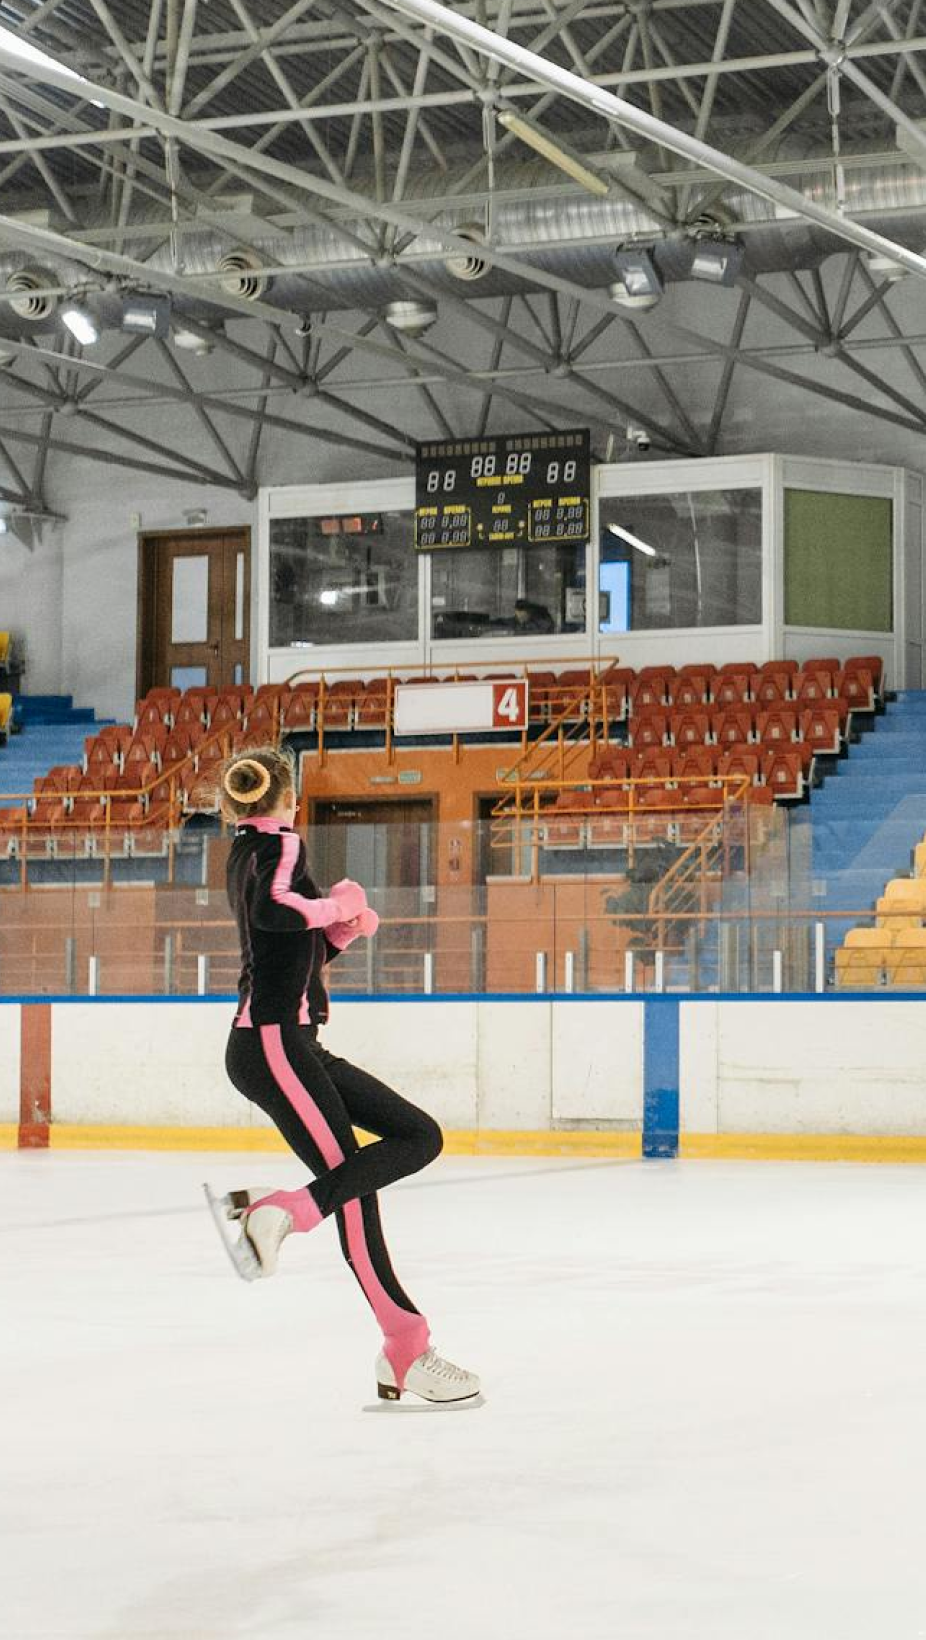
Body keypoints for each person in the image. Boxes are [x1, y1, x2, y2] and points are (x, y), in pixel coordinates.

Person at [207, 746, 481, 1408]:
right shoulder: (279, 848)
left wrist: (343, 932)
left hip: (287, 1042)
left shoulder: (249, 848)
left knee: (417, 1136)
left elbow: (285, 947)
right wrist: (330, 907)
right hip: (273, 1042)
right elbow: (278, 912)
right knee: (353, 1194)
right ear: (288, 796)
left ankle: (286, 1212)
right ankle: (404, 1345)